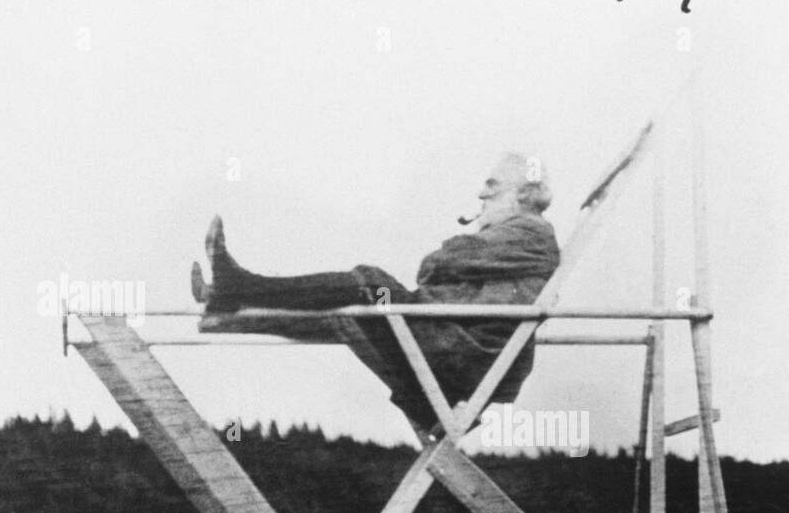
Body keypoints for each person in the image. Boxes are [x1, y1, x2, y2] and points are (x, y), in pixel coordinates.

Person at [192, 153, 559, 432]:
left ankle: (235, 288)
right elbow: (439, 272)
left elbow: (435, 264)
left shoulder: (530, 233)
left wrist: (448, 258)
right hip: (450, 353)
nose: (481, 193)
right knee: (350, 315)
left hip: (456, 355)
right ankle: (228, 310)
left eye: (492, 186)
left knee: (371, 285)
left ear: (524, 194)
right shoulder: (516, 236)